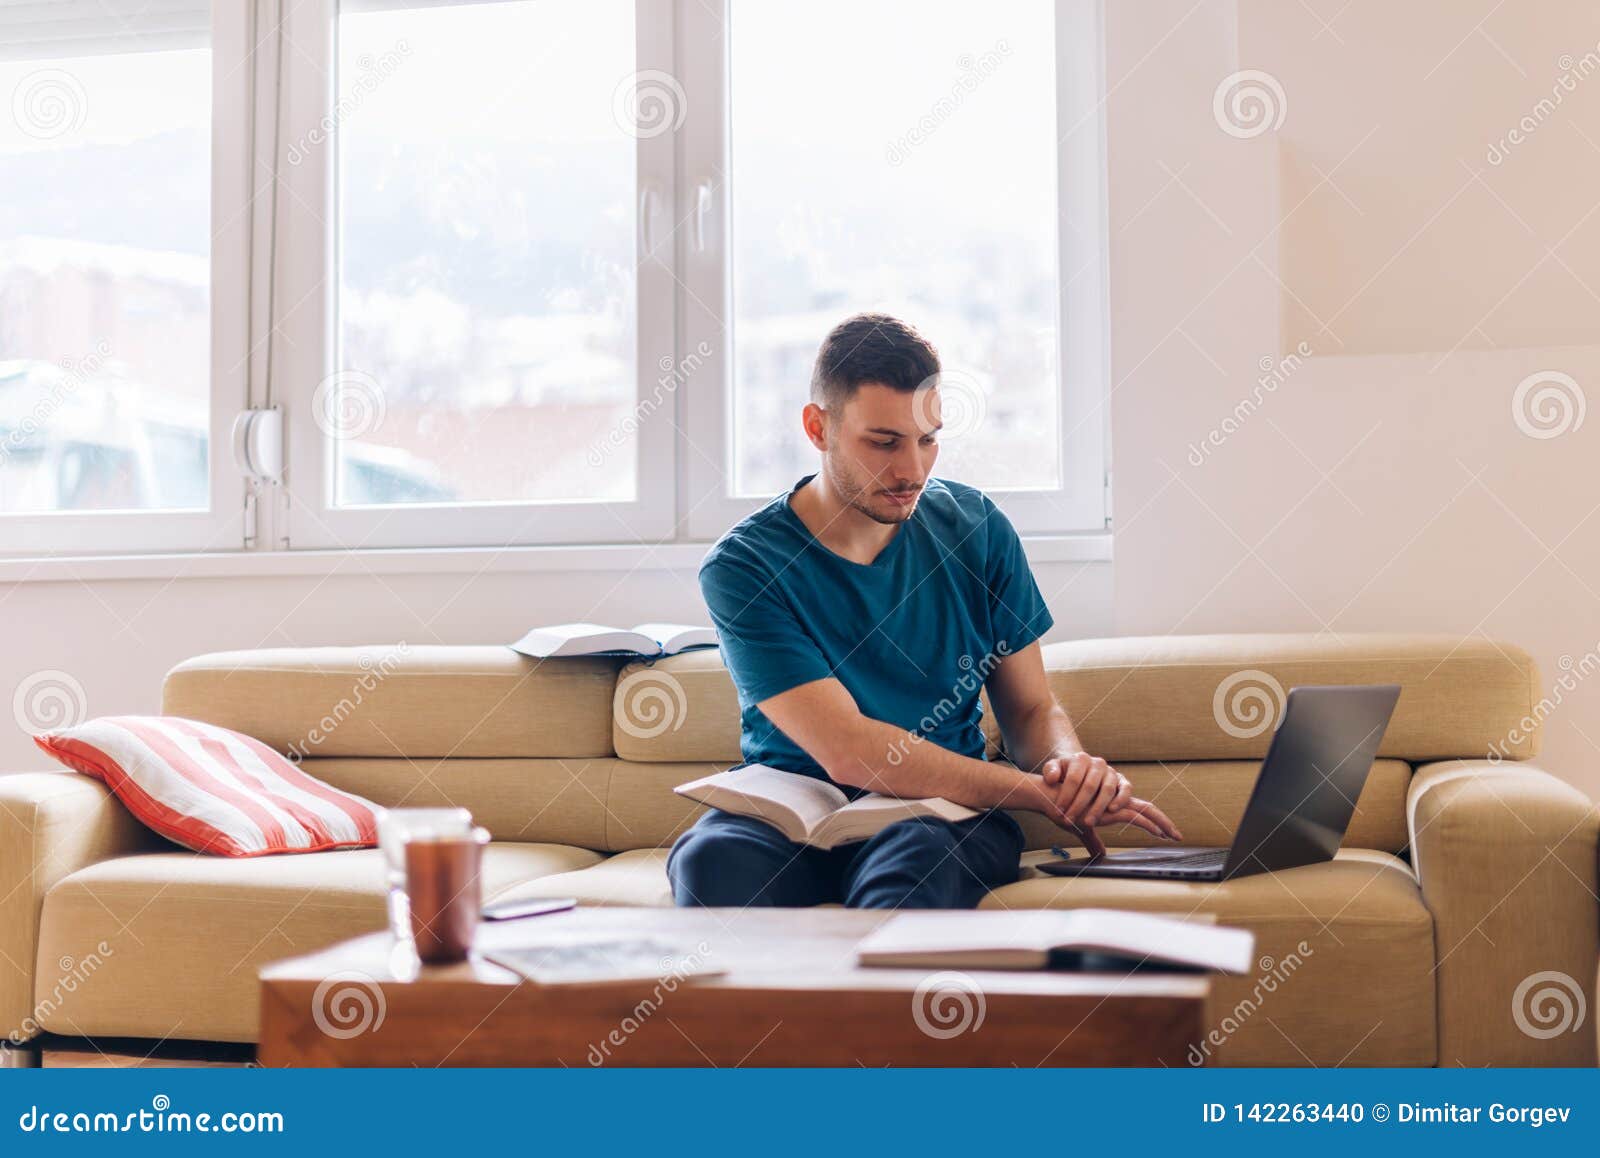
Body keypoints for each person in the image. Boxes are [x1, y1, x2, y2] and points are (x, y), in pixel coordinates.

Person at [668, 313, 1181, 909]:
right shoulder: (745, 566)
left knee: (913, 863)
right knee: (710, 862)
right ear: (818, 427)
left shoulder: (977, 530)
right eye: (883, 443)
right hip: (792, 814)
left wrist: (1069, 769)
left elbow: (1031, 709)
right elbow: (849, 748)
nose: (911, 470)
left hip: (940, 816)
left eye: (929, 439)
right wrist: (1034, 793)